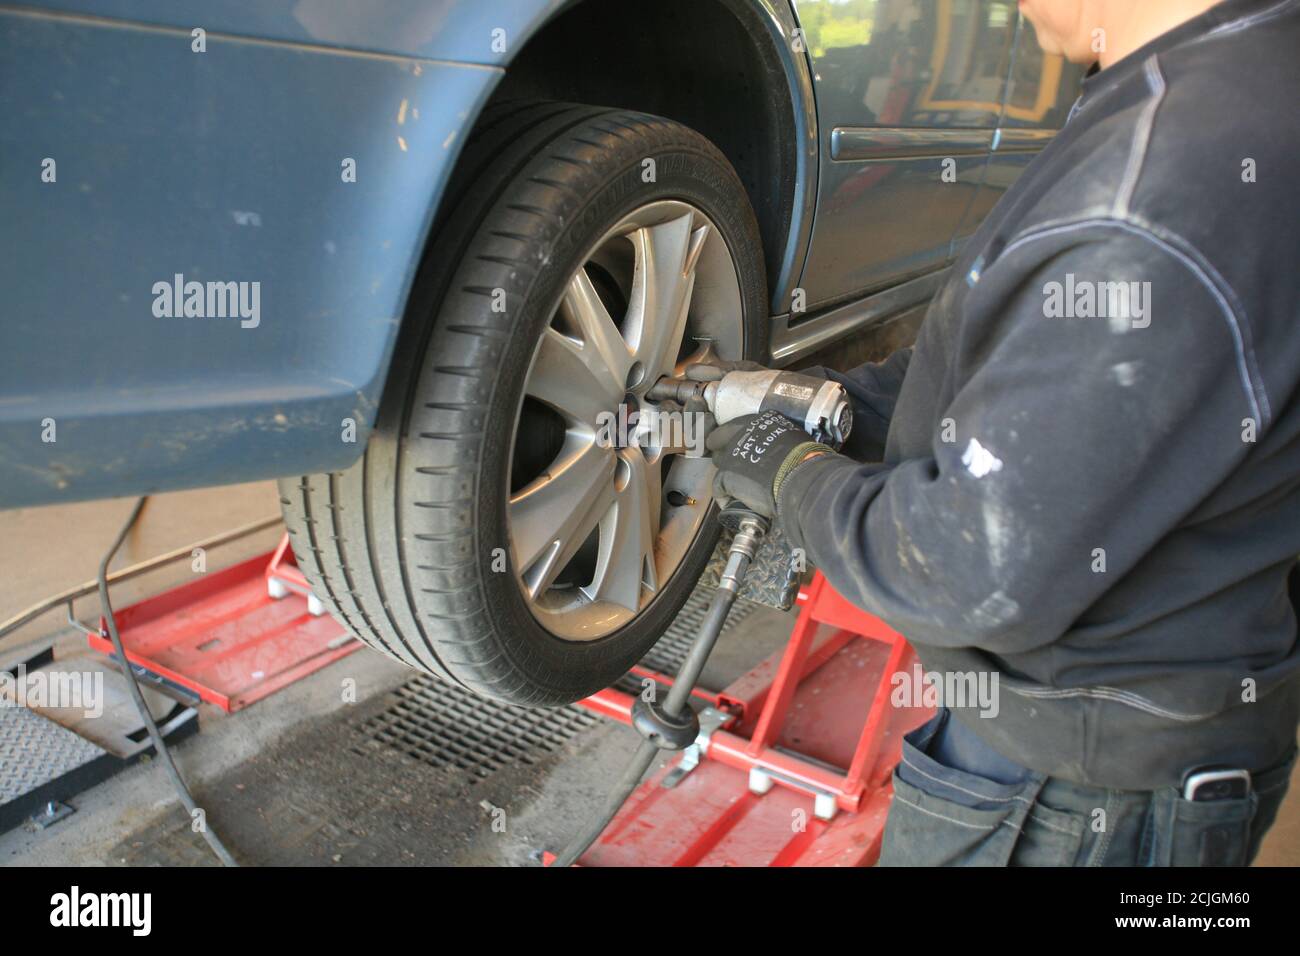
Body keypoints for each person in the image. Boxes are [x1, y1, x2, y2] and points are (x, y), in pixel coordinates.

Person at [705, 0, 1300, 865]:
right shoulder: (1250, 70)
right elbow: (1039, 374)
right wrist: (839, 401)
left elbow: (958, 566)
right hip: (1158, 734)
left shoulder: (1154, 197)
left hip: (1085, 801)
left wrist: (793, 475)